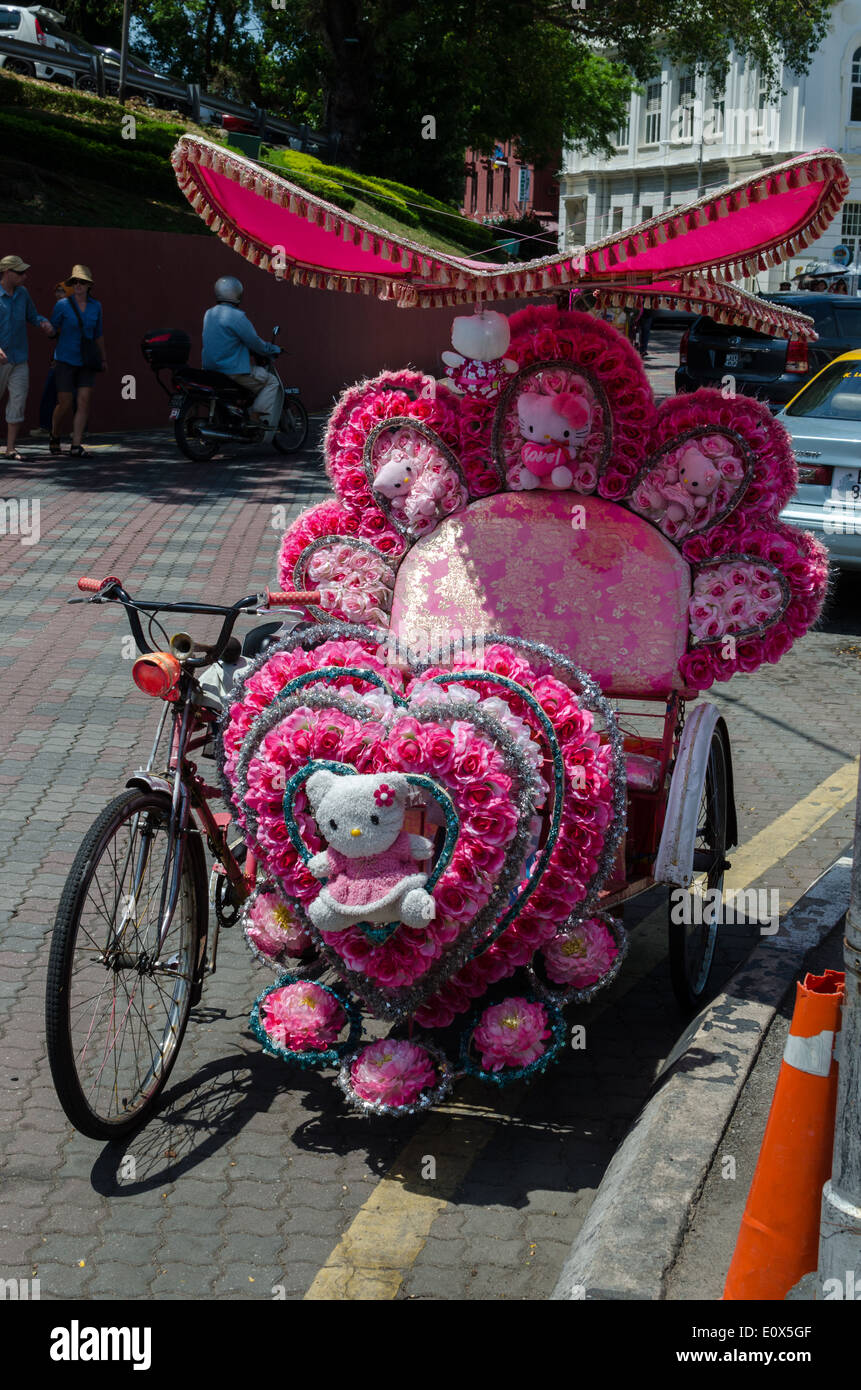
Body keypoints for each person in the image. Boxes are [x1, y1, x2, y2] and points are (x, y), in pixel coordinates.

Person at [201, 276, 280, 425]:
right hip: (233, 370)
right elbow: (254, 342)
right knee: (271, 382)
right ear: (237, 293)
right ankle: (254, 416)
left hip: (211, 369)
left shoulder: (209, 314)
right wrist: (272, 349)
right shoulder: (237, 317)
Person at [0, 253, 54, 460]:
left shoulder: (23, 294)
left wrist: (43, 322)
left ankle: (11, 448)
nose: (25, 276)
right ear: (7, 272)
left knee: (18, 400)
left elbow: (32, 315)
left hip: (19, 359)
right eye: (20, 272)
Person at [50, 265, 106, 459]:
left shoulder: (96, 306)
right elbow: (54, 329)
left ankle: (76, 444)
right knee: (65, 403)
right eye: (75, 282)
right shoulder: (62, 305)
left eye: (82, 282)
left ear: (89, 285)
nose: (78, 285)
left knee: (83, 401)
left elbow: (98, 334)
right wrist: (48, 329)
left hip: (87, 360)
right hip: (65, 358)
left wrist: (103, 357)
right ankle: (55, 434)